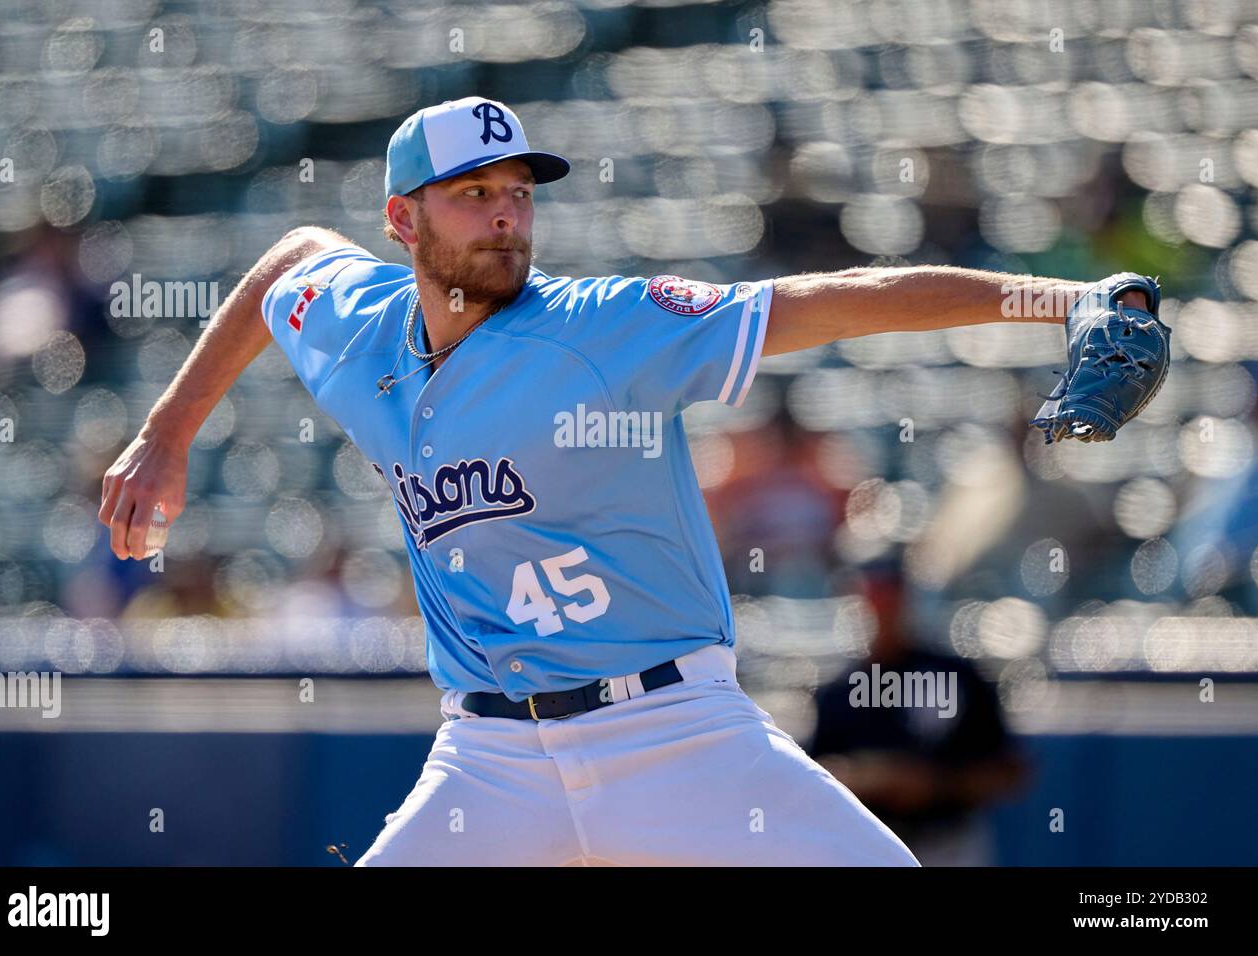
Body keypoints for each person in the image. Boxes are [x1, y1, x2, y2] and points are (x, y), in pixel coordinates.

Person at [98, 96, 1147, 866]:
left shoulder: (605, 326)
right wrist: (166, 432)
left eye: (517, 193)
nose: (507, 215)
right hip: (489, 757)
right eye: (473, 196)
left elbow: (836, 298)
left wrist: (1053, 299)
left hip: (674, 735)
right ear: (403, 222)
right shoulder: (359, 322)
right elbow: (289, 256)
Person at [808, 566, 1031, 865]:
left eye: (889, 596)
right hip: (870, 847)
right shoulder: (838, 693)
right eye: (873, 597)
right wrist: (870, 775)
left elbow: (1010, 773)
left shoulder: (956, 676)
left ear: (906, 599)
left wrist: (936, 783)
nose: (881, 609)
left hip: (950, 843)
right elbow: (815, 780)